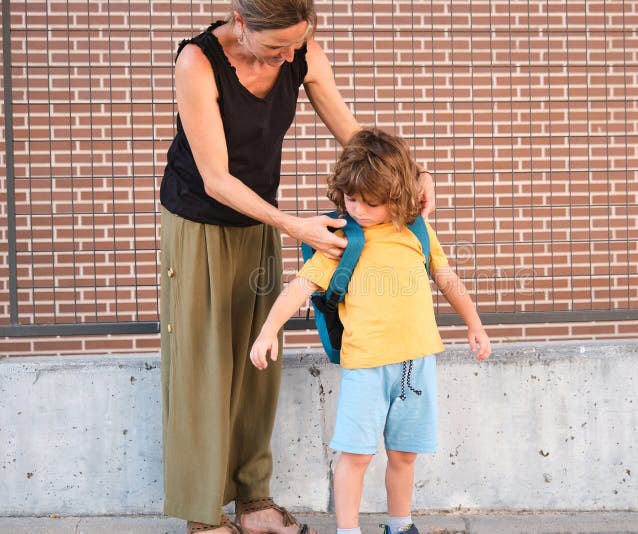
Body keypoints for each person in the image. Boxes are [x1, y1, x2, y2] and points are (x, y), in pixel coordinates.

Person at [158, 0, 436, 532]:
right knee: (204, 360)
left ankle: (253, 500)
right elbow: (216, 178)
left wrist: (412, 173)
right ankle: (203, 513)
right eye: (277, 46)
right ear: (241, 23)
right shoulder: (198, 62)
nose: (290, 57)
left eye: (296, 45)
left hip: (260, 219)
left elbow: (353, 133)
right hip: (199, 220)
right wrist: (294, 226)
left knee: (259, 363)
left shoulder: (300, 52)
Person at [249, 128, 492, 534]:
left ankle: (400, 525)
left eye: (371, 202)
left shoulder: (417, 232)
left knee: (404, 454)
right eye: (350, 198)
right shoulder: (343, 241)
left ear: (397, 196)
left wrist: (475, 325)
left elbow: (447, 280)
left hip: (416, 363)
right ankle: (348, 530)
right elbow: (301, 286)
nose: (358, 209)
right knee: (356, 456)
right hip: (366, 368)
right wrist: (268, 331)